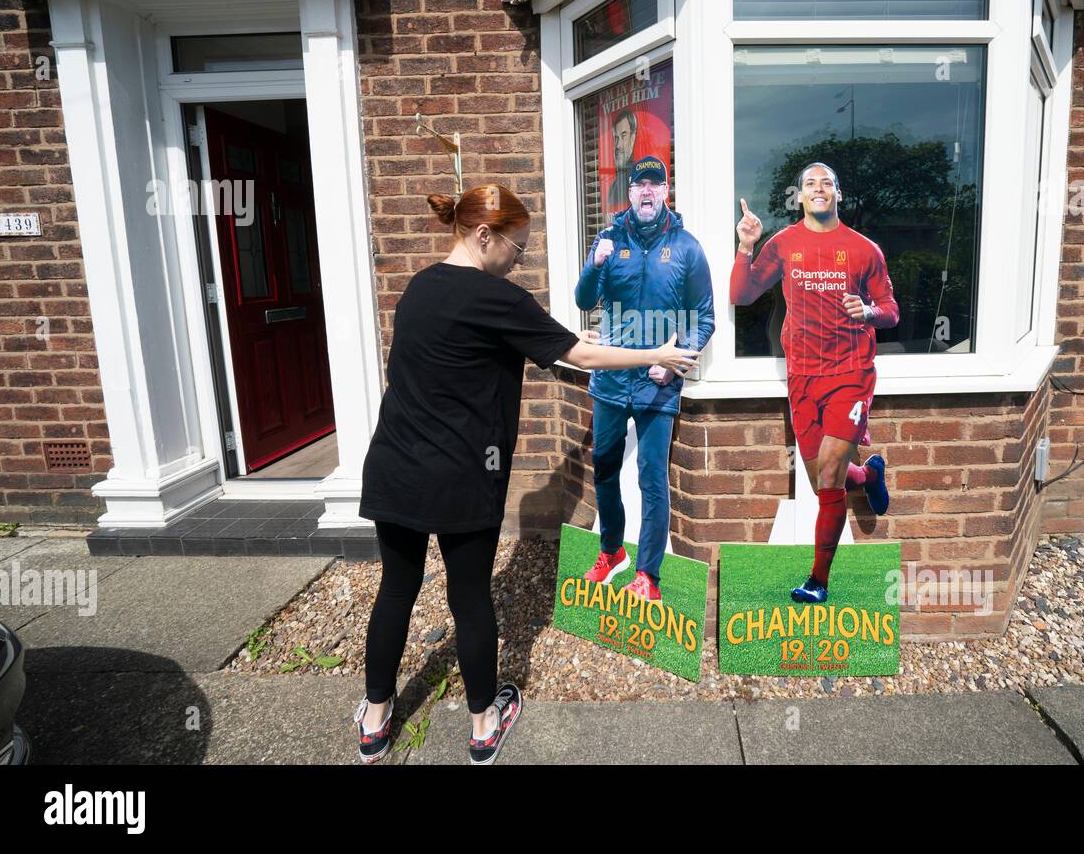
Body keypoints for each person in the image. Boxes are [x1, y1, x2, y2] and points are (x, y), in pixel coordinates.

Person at [354, 184, 698, 764]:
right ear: (484, 236)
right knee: (469, 598)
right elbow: (579, 359)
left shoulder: (419, 287)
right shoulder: (496, 296)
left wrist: (569, 339)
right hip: (462, 475)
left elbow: (511, 345)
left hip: (394, 467)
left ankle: (375, 720)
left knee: (396, 589)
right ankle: (484, 725)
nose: (521, 260)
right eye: (518, 248)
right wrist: (654, 355)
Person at [729, 163, 900, 604]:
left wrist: (869, 311)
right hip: (802, 378)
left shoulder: (865, 250)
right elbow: (742, 295)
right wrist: (746, 247)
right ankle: (867, 473)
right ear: (801, 196)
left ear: (837, 194)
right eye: (810, 184)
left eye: (827, 183)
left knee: (827, 473)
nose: (818, 189)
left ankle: (817, 582)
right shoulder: (784, 244)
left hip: (850, 374)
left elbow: (892, 310)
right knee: (823, 481)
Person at [574, 156, 714, 602]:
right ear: (630, 193)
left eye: (656, 183)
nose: (648, 191)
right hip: (612, 383)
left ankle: (648, 574)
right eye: (640, 185)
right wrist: (596, 264)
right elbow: (583, 298)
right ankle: (611, 550)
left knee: (652, 477)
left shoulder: (687, 247)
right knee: (605, 471)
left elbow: (704, 316)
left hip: (658, 383)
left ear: (665, 192)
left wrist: (675, 361)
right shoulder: (608, 239)